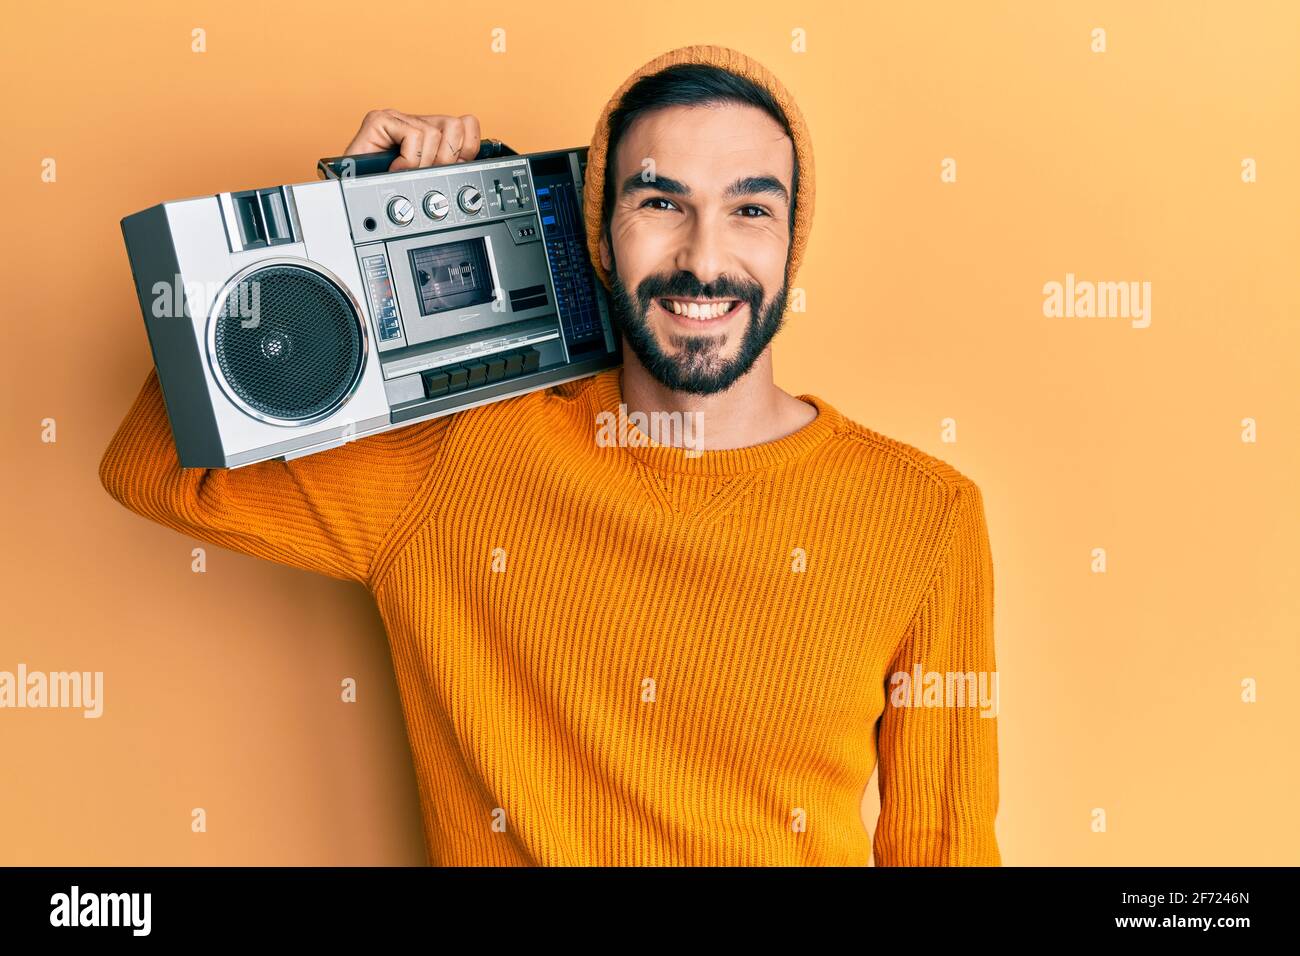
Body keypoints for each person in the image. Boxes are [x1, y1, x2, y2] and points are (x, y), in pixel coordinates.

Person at [99, 43, 1002, 866]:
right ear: (598, 236)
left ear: (791, 243)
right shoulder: (459, 453)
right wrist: (334, 228)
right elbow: (159, 468)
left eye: (750, 208)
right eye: (659, 202)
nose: (703, 256)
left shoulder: (924, 515)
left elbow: (945, 844)